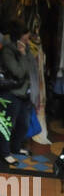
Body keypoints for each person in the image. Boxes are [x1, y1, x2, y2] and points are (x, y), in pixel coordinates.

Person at [0, 21, 34, 159]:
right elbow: (18, 72)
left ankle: (15, 147)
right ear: (18, 37)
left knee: (23, 125)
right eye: (25, 38)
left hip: (24, 94)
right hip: (11, 93)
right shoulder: (8, 51)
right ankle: (5, 153)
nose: (28, 41)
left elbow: (32, 67)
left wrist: (25, 54)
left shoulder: (26, 49)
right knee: (7, 125)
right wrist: (22, 55)